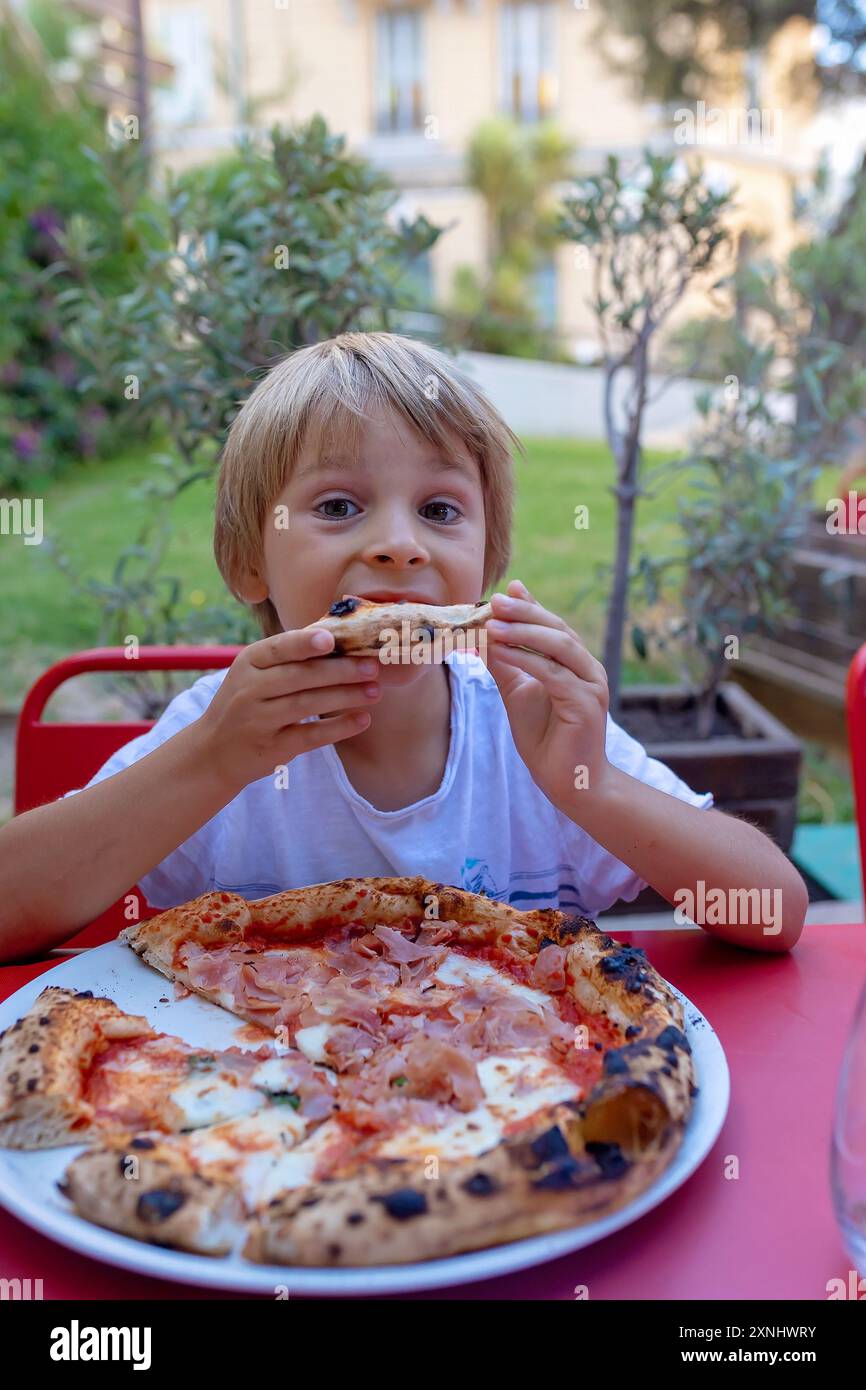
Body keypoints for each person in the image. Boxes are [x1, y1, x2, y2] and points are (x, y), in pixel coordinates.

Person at [0, 332, 808, 962]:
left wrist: (590, 789)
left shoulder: (529, 727)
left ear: (487, 566)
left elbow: (775, 914)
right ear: (250, 562)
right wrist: (210, 760)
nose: (397, 544)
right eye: (341, 504)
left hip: (523, 1090)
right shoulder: (217, 730)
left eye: (441, 510)